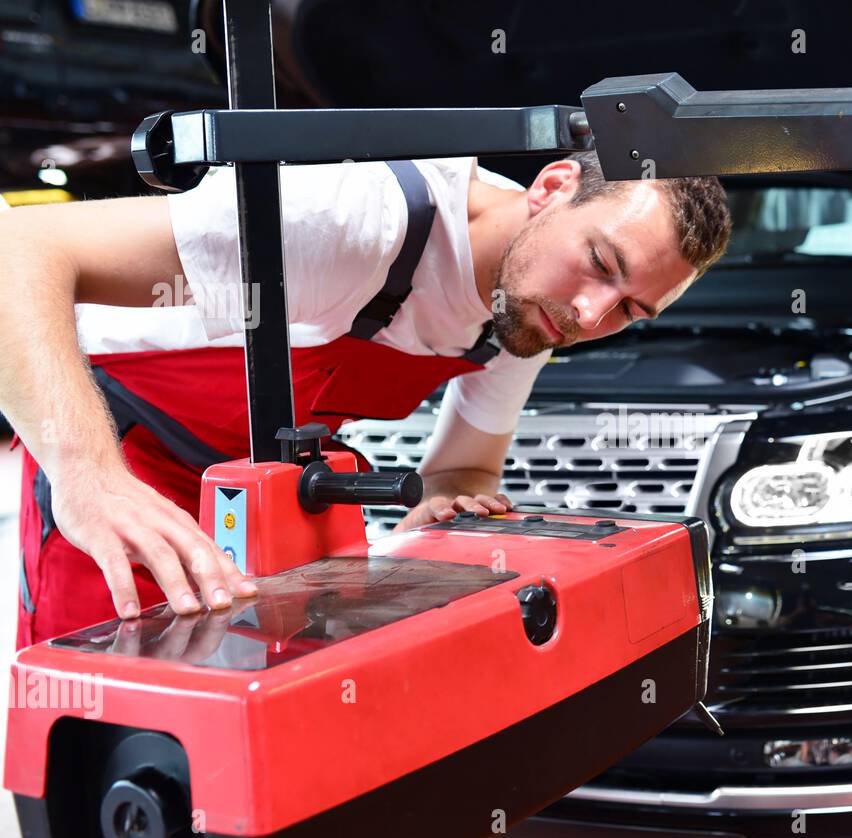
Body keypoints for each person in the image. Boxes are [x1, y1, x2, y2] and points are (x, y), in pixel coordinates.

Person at [0, 151, 731, 648]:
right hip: (127, 461)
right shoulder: (360, 221)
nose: (591, 316)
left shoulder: (526, 309)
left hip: (268, 495)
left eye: (631, 310)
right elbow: (18, 247)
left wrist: (456, 499)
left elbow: (463, 471)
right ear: (551, 188)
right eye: (601, 263)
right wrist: (88, 474)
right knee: (112, 738)